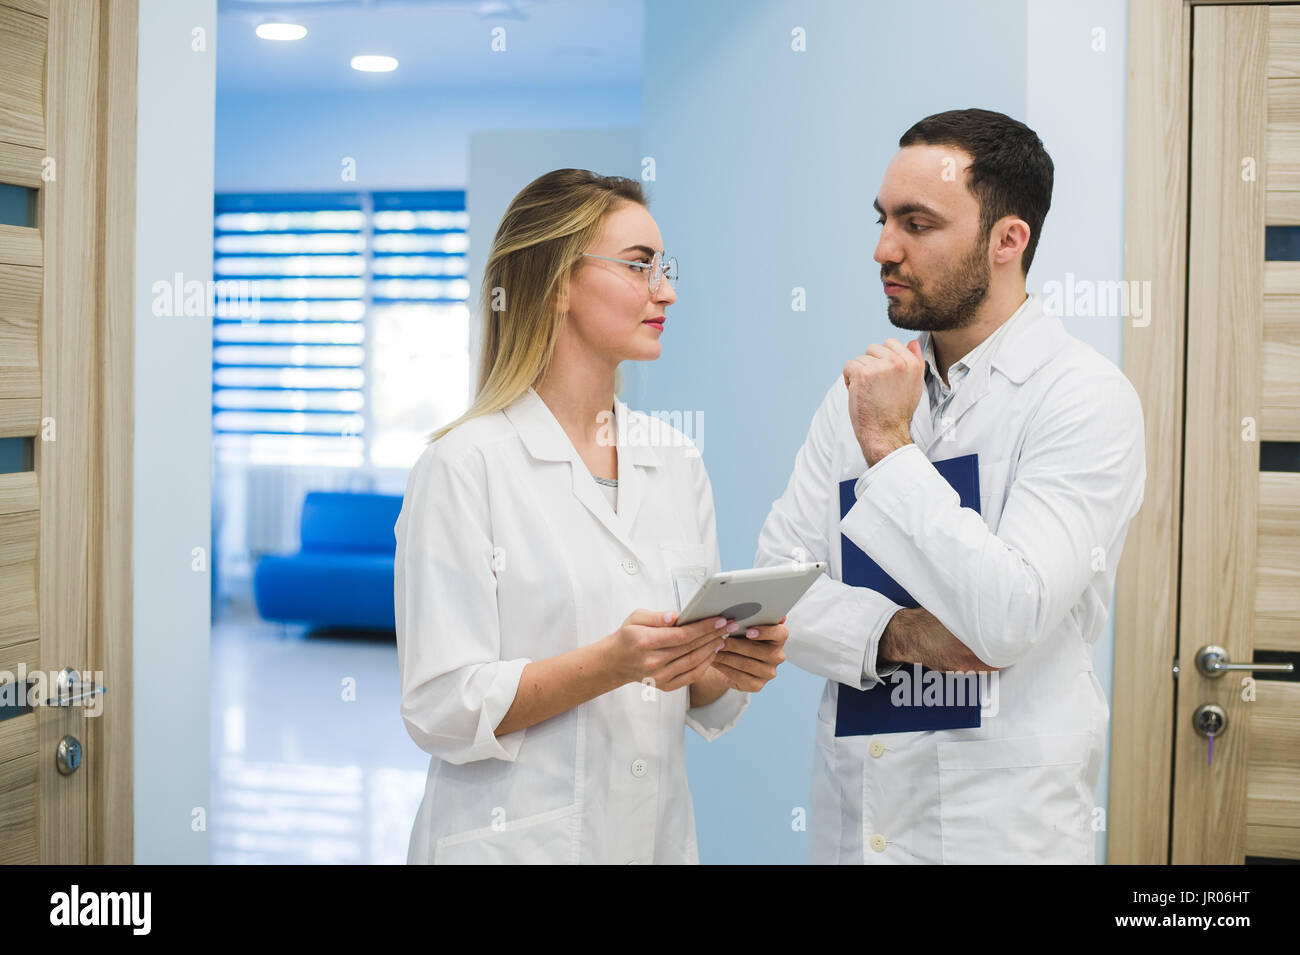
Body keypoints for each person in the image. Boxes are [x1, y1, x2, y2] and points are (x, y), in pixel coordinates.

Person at [755, 109, 1145, 864]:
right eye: (882, 219)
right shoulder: (861, 391)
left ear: (1008, 240)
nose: (883, 248)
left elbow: (1006, 616)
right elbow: (779, 585)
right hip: (853, 825)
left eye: (917, 222)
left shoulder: (1083, 398)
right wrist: (894, 634)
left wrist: (891, 449)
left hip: (999, 834)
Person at [395, 168, 788, 865]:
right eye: (639, 266)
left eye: (664, 268)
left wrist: (729, 661)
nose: (664, 290)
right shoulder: (464, 465)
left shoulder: (675, 460)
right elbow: (440, 703)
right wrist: (608, 663)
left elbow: (695, 695)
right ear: (555, 284)